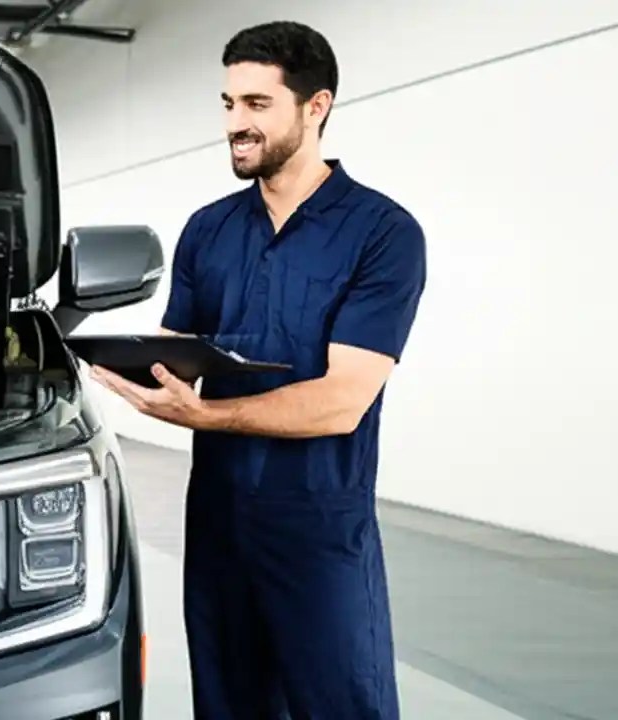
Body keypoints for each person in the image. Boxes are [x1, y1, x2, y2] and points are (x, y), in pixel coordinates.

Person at [90, 20, 427, 720]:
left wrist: (205, 414)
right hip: (217, 523)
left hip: (320, 527)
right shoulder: (208, 229)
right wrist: (105, 359)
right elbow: (172, 353)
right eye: (227, 104)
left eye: (256, 105)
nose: (235, 125)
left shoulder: (383, 233)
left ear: (316, 106)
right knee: (229, 707)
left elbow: (342, 402)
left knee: (346, 706)